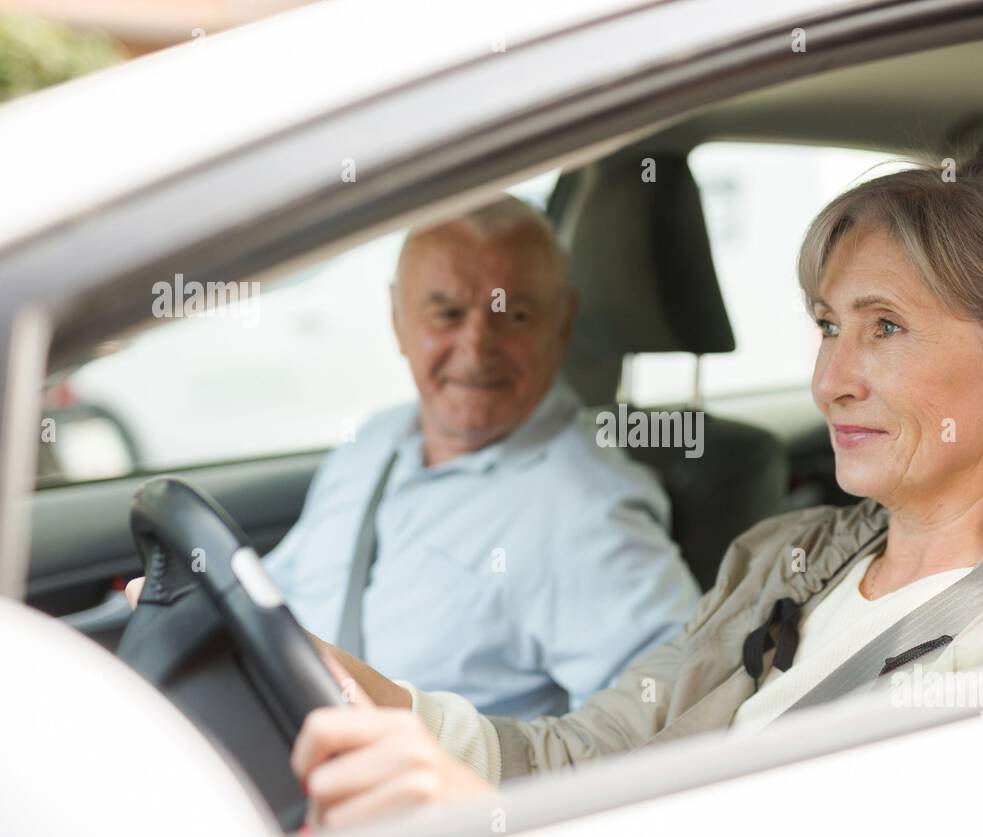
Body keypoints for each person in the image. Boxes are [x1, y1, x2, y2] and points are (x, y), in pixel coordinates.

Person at [262, 148, 983, 826]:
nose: (832, 381)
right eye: (828, 326)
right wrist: (339, 680)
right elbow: (591, 752)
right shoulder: (782, 560)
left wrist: (500, 833)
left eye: (886, 328)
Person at [238, 196, 699, 718]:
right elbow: (289, 586)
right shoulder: (376, 440)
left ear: (562, 323)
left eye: (515, 314)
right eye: (448, 313)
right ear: (397, 318)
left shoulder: (587, 510)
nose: (477, 348)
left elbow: (673, 711)